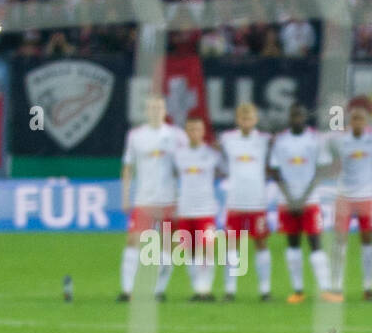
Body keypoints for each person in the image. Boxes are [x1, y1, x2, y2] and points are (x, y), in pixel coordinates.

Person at [117, 94, 186, 301]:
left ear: (165, 111)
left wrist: (183, 199)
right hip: (144, 200)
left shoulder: (177, 136)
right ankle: (127, 290)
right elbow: (128, 167)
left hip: (169, 200)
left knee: (168, 247)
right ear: (146, 111)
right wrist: (125, 196)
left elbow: (184, 168)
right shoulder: (136, 136)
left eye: (159, 107)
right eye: (151, 107)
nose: (155, 111)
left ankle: (159, 290)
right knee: (133, 242)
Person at [269, 104, 334, 302]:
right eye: (294, 115)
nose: (297, 118)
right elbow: (275, 170)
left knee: (316, 244)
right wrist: (290, 199)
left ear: (305, 117)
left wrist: (303, 199)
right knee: (293, 245)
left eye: (300, 115)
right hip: (287, 202)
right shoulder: (281, 141)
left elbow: (321, 170)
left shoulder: (316, 140)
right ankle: (298, 291)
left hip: (310, 200)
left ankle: (326, 289)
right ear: (289, 117)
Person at [327, 104, 372, 300]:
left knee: (367, 241)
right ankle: (337, 287)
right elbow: (324, 140)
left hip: (366, 197)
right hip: (344, 197)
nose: (358, 123)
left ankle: (368, 287)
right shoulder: (341, 141)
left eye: (361, 119)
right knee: (339, 242)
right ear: (349, 123)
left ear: (366, 122)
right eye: (354, 119)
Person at [218, 101, 273, 300]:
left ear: (255, 119)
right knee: (232, 245)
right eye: (242, 118)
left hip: (257, 201)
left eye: (249, 117)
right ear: (237, 120)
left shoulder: (265, 140)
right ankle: (230, 290)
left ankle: (265, 290)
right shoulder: (227, 139)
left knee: (261, 243)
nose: (246, 121)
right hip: (235, 202)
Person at [170, 114, 225, 301]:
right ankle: (197, 289)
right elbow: (172, 175)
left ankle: (206, 289)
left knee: (207, 249)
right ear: (186, 132)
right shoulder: (178, 155)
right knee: (190, 252)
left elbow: (226, 170)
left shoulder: (212, 154)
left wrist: (222, 151)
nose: (194, 133)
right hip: (185, 209)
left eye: (198, 129)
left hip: (206, 209)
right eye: (191, 129)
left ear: (203, 132)